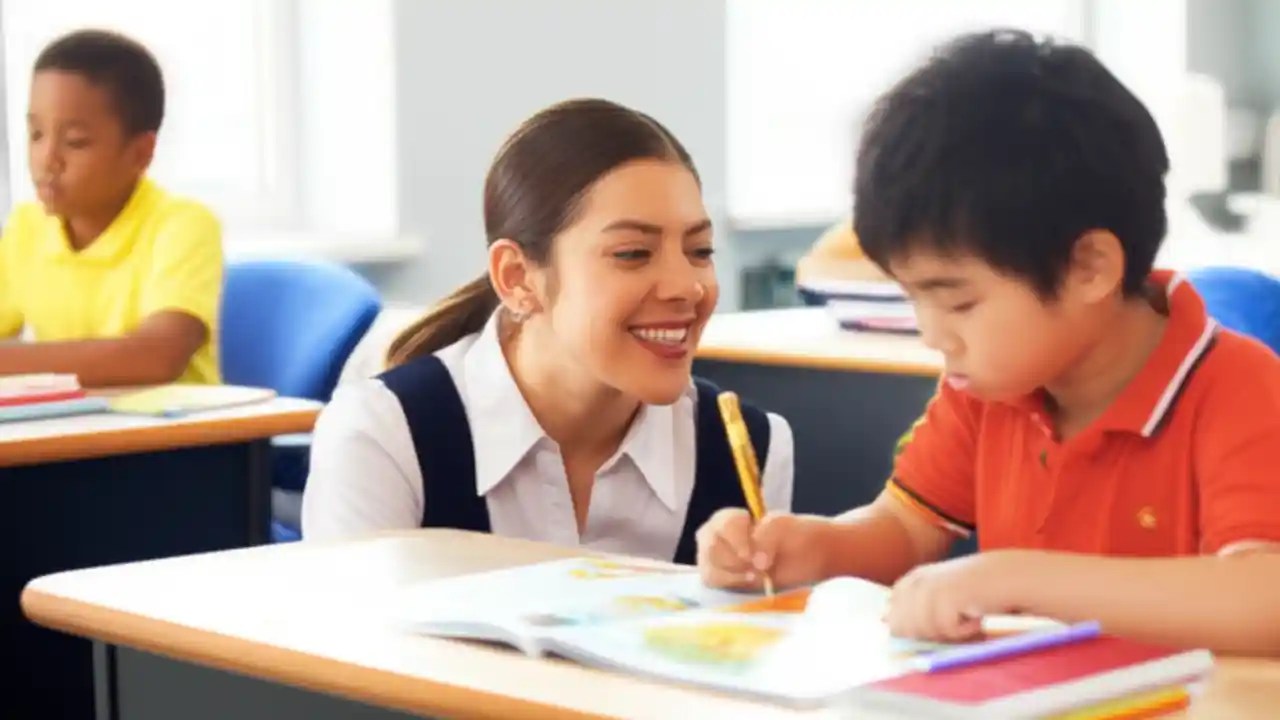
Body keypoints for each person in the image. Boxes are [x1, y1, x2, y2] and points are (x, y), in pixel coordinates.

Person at [696, 30, 1280, 655]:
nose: (931, 334)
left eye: (958, 303)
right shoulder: (989, 391)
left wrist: (1018, 579)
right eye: (913, 298)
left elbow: (1264, 600)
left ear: (1089, 267)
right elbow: (903, 528)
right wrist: (809, 546)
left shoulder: (1239, 387)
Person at [303, 99, 794, 562]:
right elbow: (347, 645)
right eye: (632, 254)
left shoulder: (752, 450)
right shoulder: (382, 437)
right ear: (517, 278)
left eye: (700, 251)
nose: (687, 286)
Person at [0, 29, 222, 386]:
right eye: (36, 135)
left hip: (177, 438)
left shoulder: (182, 225)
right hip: (75, 435)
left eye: (76, 142)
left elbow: (155, 357)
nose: (47, 159)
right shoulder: (27, 226)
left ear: (140, 153)